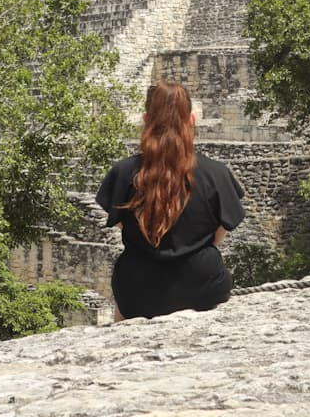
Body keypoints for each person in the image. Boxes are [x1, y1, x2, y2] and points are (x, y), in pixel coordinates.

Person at [96, 81, 246, 320]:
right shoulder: (216, 173)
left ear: (146, 120)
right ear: (192, 121)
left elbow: (125, 226)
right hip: (201, 287)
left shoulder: (123, 173)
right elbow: (218, 235)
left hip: (138, 291)